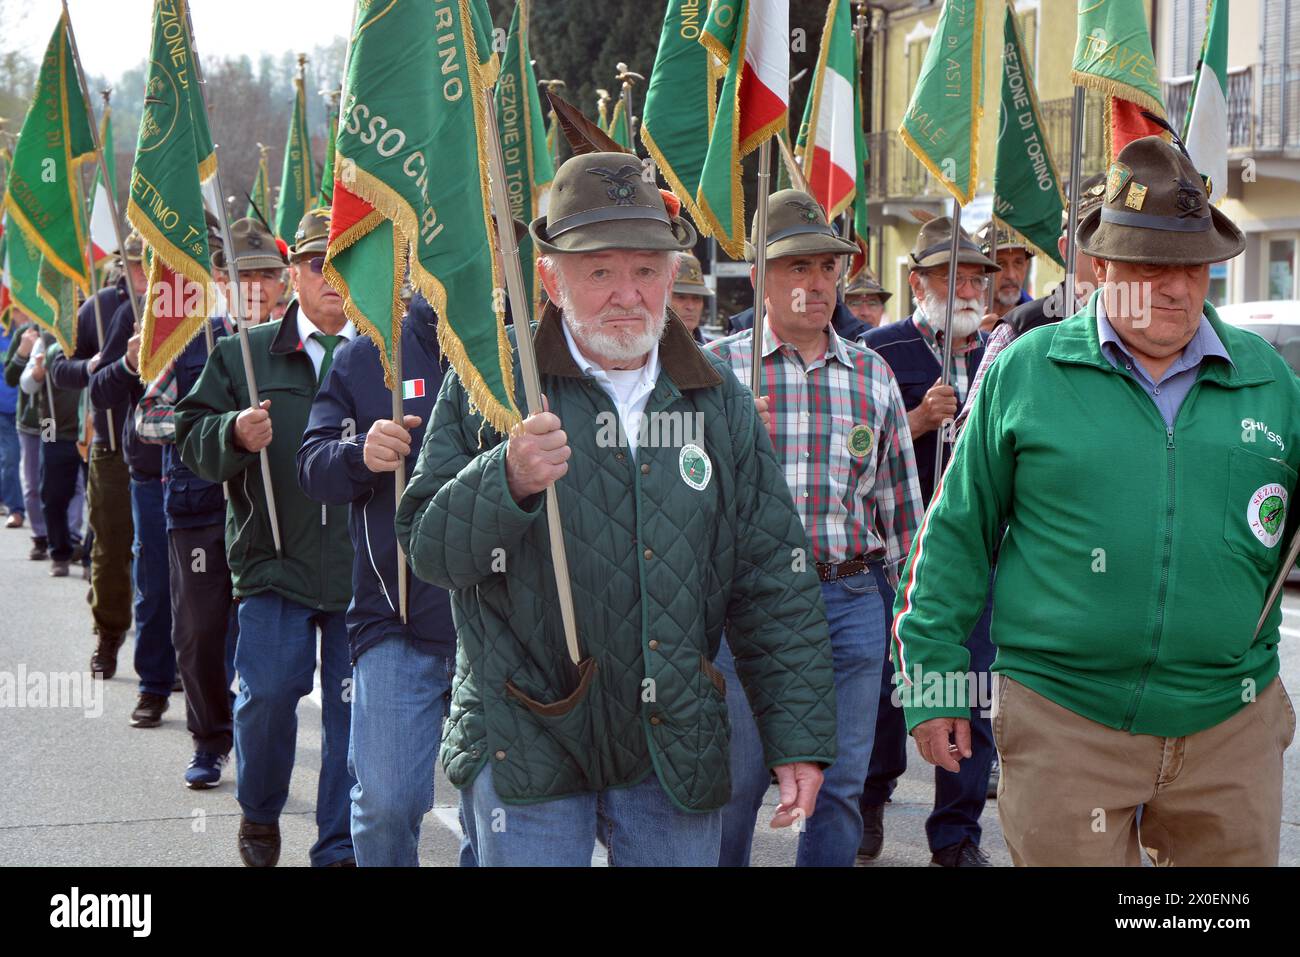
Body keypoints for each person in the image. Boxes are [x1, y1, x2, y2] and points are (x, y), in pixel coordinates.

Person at [394, 153, 838, 867]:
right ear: (550, 277)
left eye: (646, 269)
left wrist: (798, 740)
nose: (628, 294)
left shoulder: (716, 398)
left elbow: (773, 581)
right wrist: (503, 477)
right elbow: (428, 548)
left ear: (671, 274)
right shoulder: (496, 381)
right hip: (526, 728)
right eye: (600, 271)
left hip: (671, 737)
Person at [895, 134, 1294, 866]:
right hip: (1065, 724)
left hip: (1229, 729)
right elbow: (953, 534)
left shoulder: (1269, 379)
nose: (1176, 287)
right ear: (1100, 266)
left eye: (1194, 266)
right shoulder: (1026, 372)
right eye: (1150, 265)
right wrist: (933, 680)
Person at [706, 188, 924, 867]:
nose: (818, 282)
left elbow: (904, 513)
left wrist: (915, 618)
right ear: (759, 278)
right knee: (735, 783)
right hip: (743, 602)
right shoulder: (715, 373)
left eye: (828, 267)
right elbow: (675, 507)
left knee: (840, 786)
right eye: (797, 267)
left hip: (848, 599)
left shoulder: (873, 375)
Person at [175, 208, 357, 867]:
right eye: (318, 262)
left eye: (346, 258)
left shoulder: (389, 352)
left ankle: (337, 843)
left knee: (352, 717)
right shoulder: (242, 355)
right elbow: (191, 438)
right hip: (274, 560)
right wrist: (232, 434)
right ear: (294, 276)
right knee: (270, 695)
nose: (332, 274)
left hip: (364, 570)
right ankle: (259, 811)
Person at [298, 292, 470, 867]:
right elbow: (312, 466)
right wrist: (358, 453)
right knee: (385, 806)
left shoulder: (527, 345)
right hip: (397, 618)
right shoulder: (366, 357)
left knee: (503, 822)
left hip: (509, 626)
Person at [858, 218, 1001, 867]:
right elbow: (848, 454)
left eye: (975, 278)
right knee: (893, 696)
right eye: (952, 277)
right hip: (893, 552)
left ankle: (955, 834)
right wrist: (918, 420)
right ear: (917, 282)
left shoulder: (998, 353)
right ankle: (870, 792)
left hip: (974, 555)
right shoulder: (877, 351)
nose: (967, 288)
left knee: (970, 691)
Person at [139, 217, 286, 787]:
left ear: (282, 280)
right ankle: (208, 740)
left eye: (267, 274)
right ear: (223, 279)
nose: (256, 285)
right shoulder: (194, 342)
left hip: (279, 513)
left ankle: (257, 742)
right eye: (244, 274)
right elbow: (146, 419)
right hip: (201, 509)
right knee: (200, 632)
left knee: (268, 636)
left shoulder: (301, 344)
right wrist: (219, 430)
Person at [48, 258, 138, 678]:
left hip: (170, 446)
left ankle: (169, 654)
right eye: (137, 262)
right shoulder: (100, 307)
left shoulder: (185, 298)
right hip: (112, 445)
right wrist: (91, 365)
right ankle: (109, 633)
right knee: (110, 547)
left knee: (169, 557)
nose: (143, 270)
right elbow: (58, 369)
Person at [13, 332, 87, 580]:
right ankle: (59, 553)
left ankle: (87, 553)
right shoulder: (45, 339)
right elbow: (26, 384)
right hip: (50, 426)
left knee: (94, 494)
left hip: (89, 426)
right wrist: (37, 371)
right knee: (51, 493)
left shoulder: (95, 332)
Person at [973, 221, 1035, 333]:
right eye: (1000, 264)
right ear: (978, 270)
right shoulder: (955, 320)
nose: (1011, 275)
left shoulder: (1038, 321)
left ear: (1026, 265)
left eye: (1018, 263)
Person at [0, 321, 24, 528]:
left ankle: (67, 531)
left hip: (45, 419)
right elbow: (10, 376)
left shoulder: (44, 333)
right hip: (6, 414)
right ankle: (16, 509)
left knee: (49, 462)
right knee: (10, 459)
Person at [670, 252, 714, 342]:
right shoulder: (645, 354)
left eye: (696, 298)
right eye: (681, 297)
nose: (690, 307)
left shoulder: (716, 351)